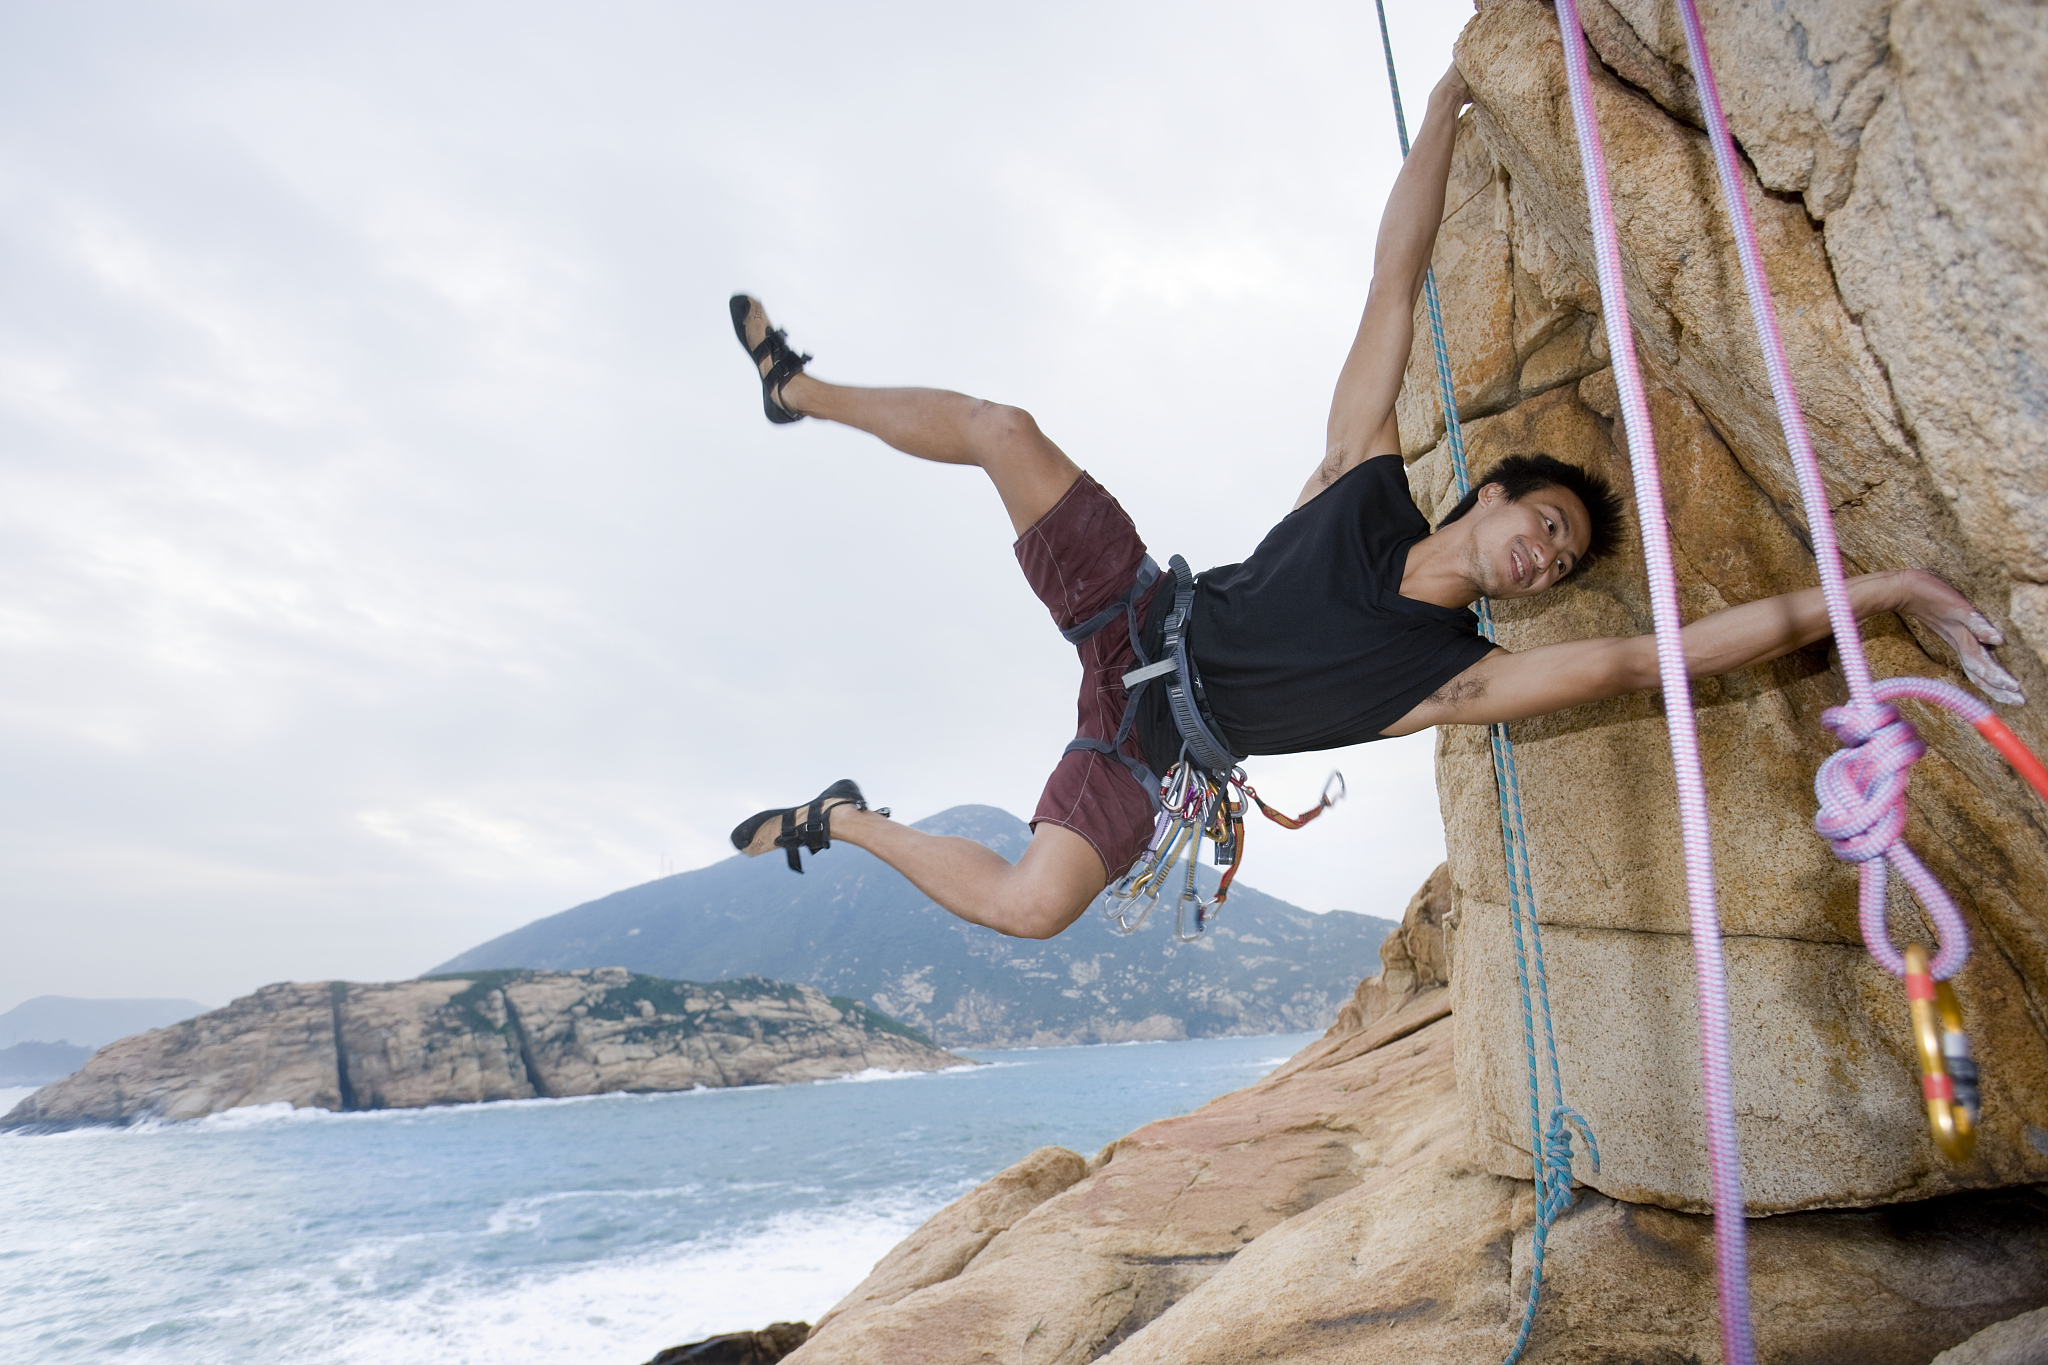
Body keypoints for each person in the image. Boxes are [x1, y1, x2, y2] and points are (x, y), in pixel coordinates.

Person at [723, 64, 2022, 942]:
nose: (1541, 562)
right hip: (1133, 605)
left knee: (1033, 905)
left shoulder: (1448, 678)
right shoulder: (1360, 484)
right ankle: (804, 390)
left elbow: (1652, 655)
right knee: (1004, 429)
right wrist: (1457, 88)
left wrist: (1889, 589)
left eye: (1558, 566)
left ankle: (838, 817)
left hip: (1159, 750)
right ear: (1498, 490)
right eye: (1547, 530)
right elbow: (1391, 283)